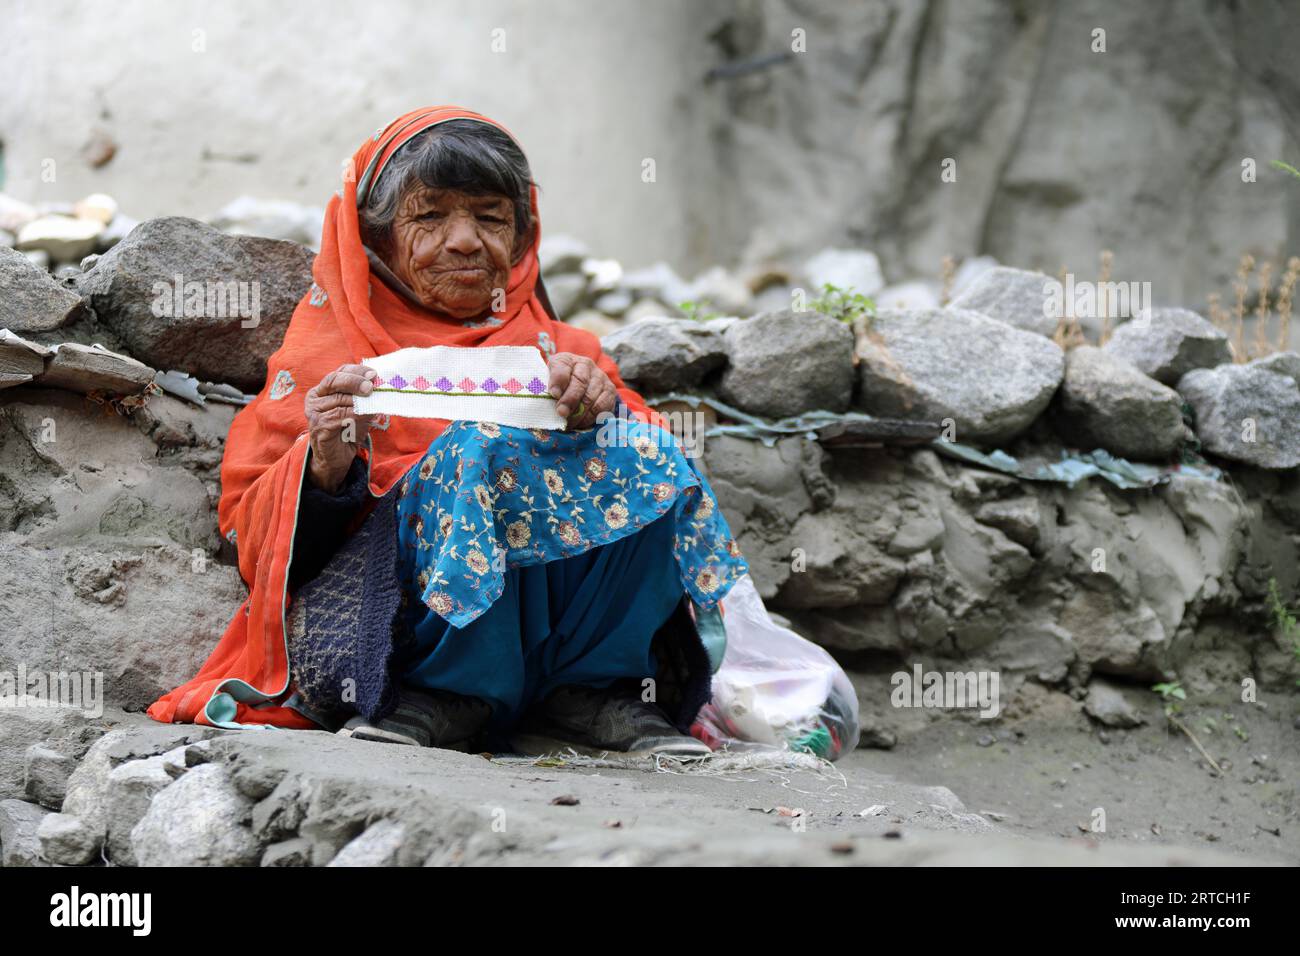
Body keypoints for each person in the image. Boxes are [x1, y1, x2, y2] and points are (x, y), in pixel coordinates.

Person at [147, 106, 747, 758]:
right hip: (398, 644)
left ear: (522, 239)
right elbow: (253, 529)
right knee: (475, 450)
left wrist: (592, 412)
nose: (463, 241)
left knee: (648, 449)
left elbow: (658, 479)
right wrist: (327, 461)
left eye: (489, 218)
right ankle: (450, 693)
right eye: (429, 216)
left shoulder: (563, 352)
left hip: (569, 656)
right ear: (375, 238)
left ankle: (594, 691)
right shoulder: (332, 357)